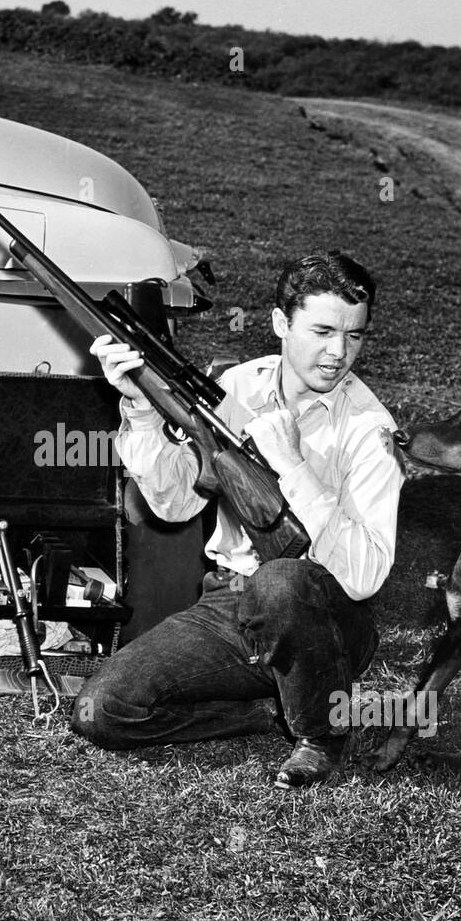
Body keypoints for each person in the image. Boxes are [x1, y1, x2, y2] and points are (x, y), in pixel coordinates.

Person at [71, 251, 404, 788]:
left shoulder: (371, 430)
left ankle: (321, 735)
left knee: (282, 581)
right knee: (103, 710)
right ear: (280, 323)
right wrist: (139, 409)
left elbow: (364, 577)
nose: (338, 352)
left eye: (355, 336)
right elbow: (175, 504)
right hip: (230, 603)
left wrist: (292, 464)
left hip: (327, 619)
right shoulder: (234, 389)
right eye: (322, 331)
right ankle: (262, 713)